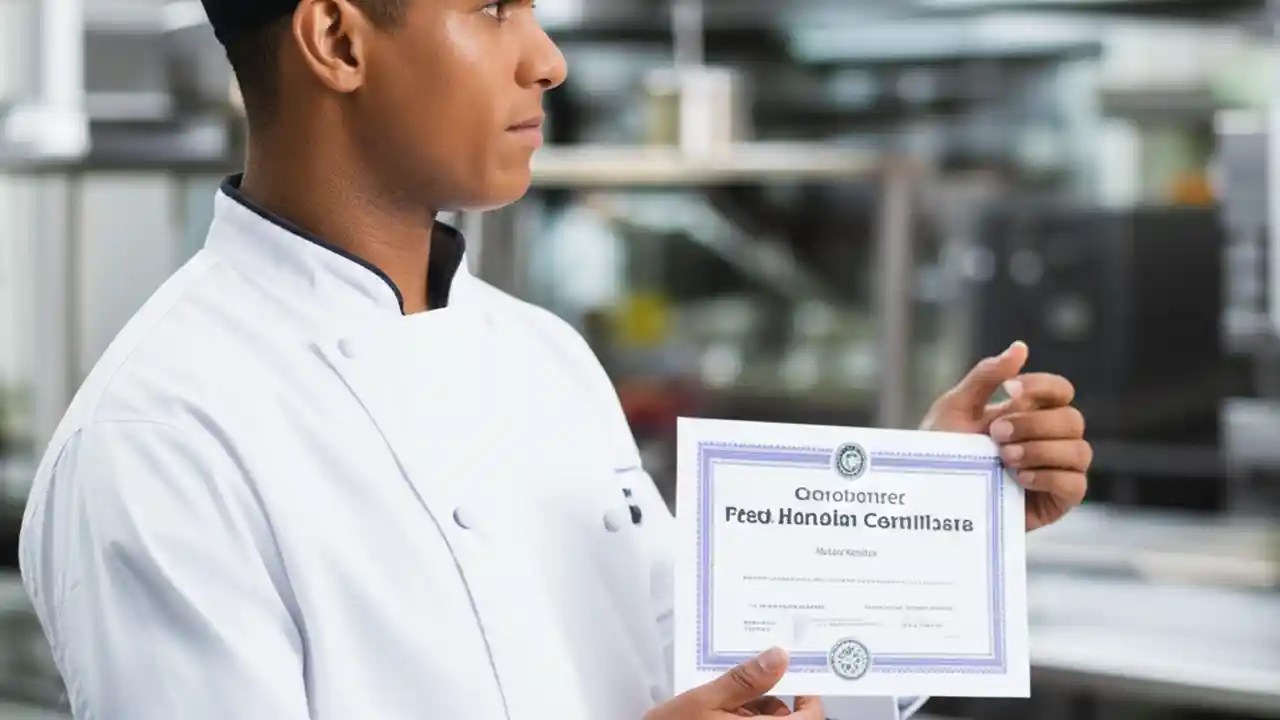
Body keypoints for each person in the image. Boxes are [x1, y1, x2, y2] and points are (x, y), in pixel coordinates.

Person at [17, 0, 1092, 718]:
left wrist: (932, 515)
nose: (547, 57)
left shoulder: (543, 358)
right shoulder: (159, 443)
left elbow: (735, 684)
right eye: (490, 7)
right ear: (337, 40)